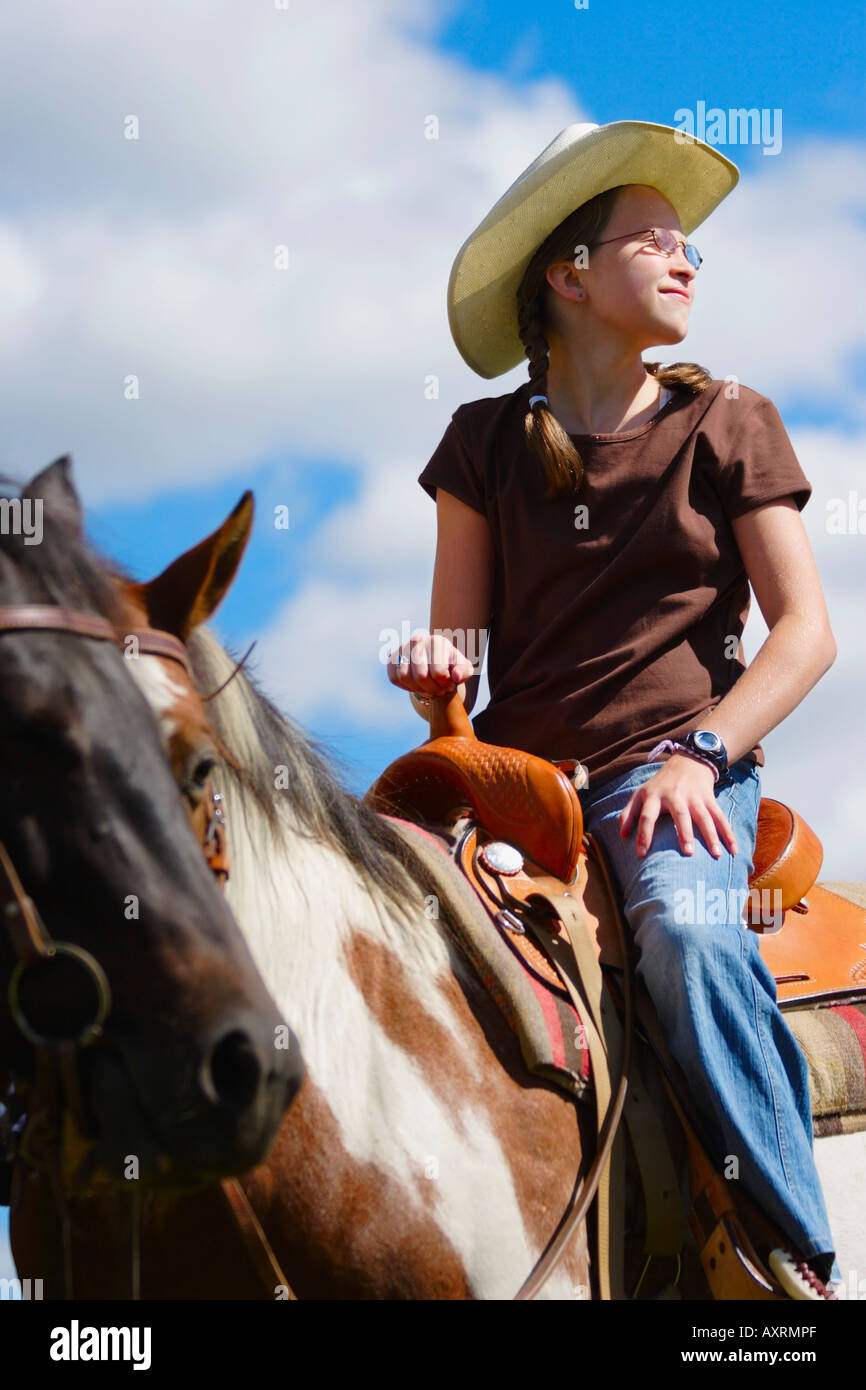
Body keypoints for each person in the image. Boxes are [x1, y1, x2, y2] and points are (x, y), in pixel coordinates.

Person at [387, 121, 842, 1301]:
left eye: (687, 244)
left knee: (688, 933)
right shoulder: (480, 444)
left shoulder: (728, 419)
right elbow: (461, 663)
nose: (683, 258)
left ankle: (786, 1256)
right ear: (568, 272)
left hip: (676, 773)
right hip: (518, 792)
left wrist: (701, 752)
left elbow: (806, 633)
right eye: (652, 239)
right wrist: (438, 687)